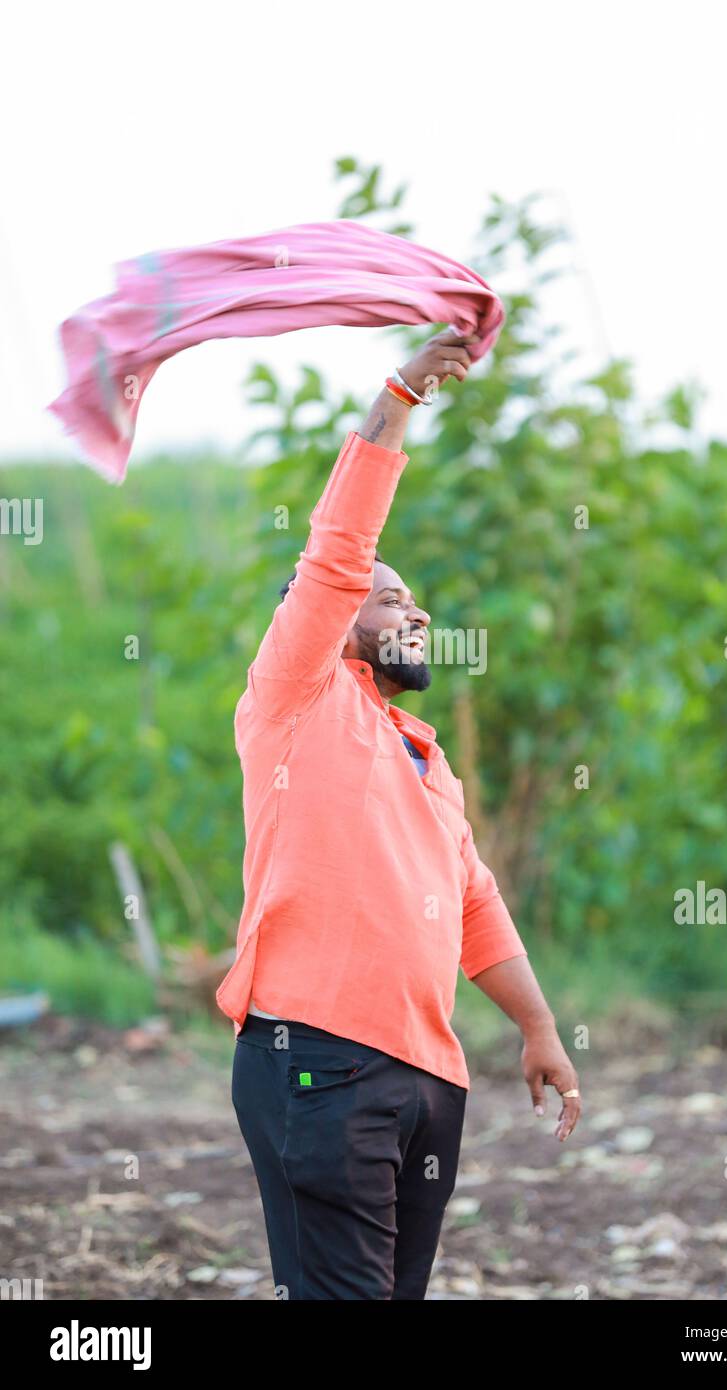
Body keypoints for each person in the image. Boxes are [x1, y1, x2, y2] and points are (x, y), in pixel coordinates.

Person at [220, 328, 581, 1300]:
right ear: (327, 616)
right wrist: (400, 393)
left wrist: (537, 1026)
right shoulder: (293, 696)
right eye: (387, 602)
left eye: (413, 602)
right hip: (317, 1061)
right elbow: (338, 551)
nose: (411, 613)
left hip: (427, 1077)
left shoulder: (422, 751)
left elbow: (471, 899)